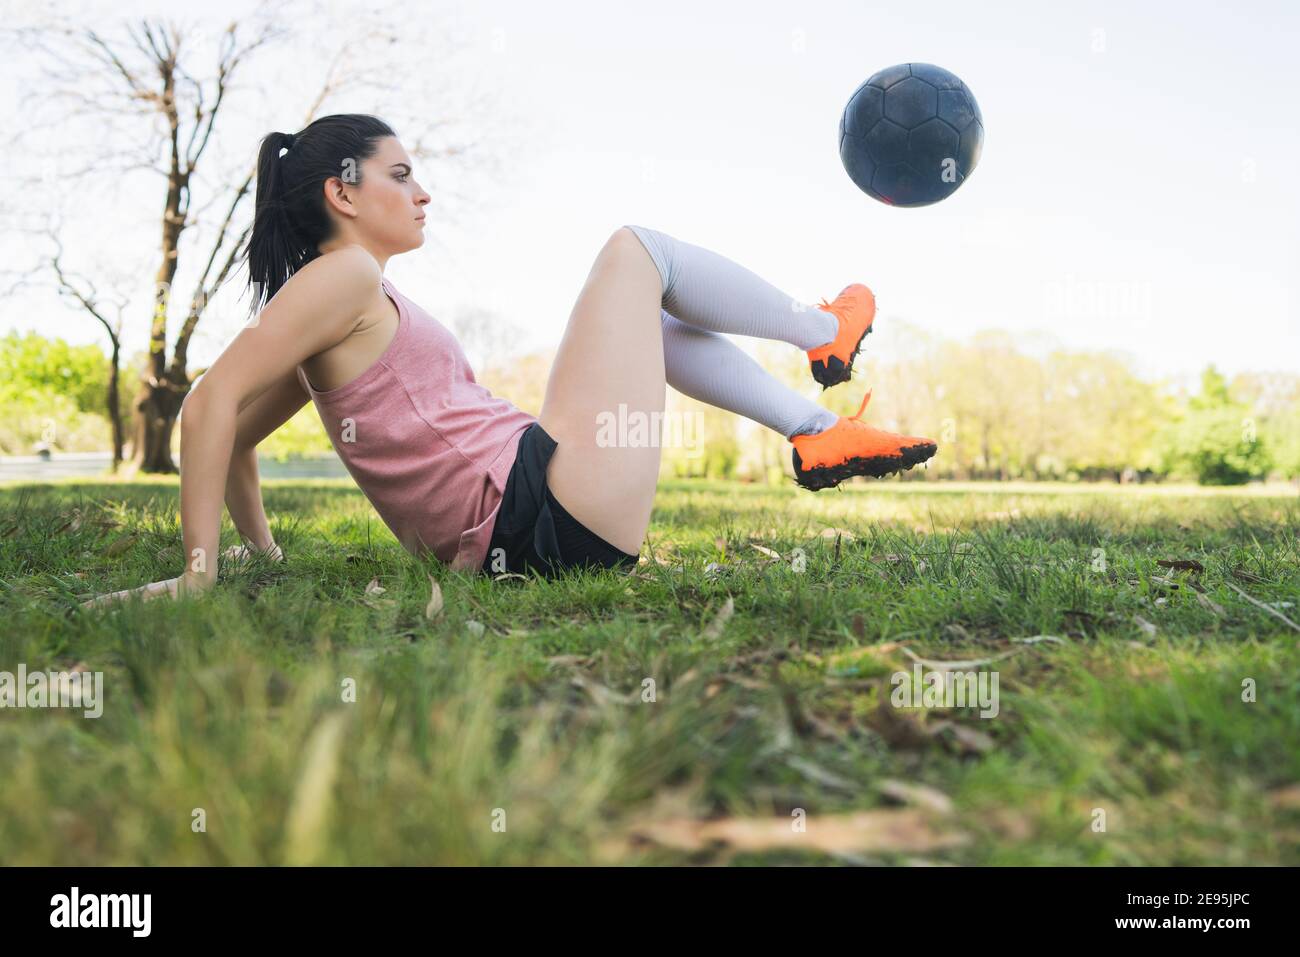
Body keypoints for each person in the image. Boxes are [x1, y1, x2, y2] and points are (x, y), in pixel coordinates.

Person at [85, 113, 935, 605]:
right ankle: (818, 332)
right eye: (401, 174)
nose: (423, 193)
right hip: (537, 519)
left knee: (651, 317)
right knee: (638, 251)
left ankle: (815, 426)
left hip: (538, 512)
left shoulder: (342, 299)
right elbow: (209, 404)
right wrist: (200, 572)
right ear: (342, 193)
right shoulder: (342, 275)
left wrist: (262, 552)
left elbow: (229, 429)